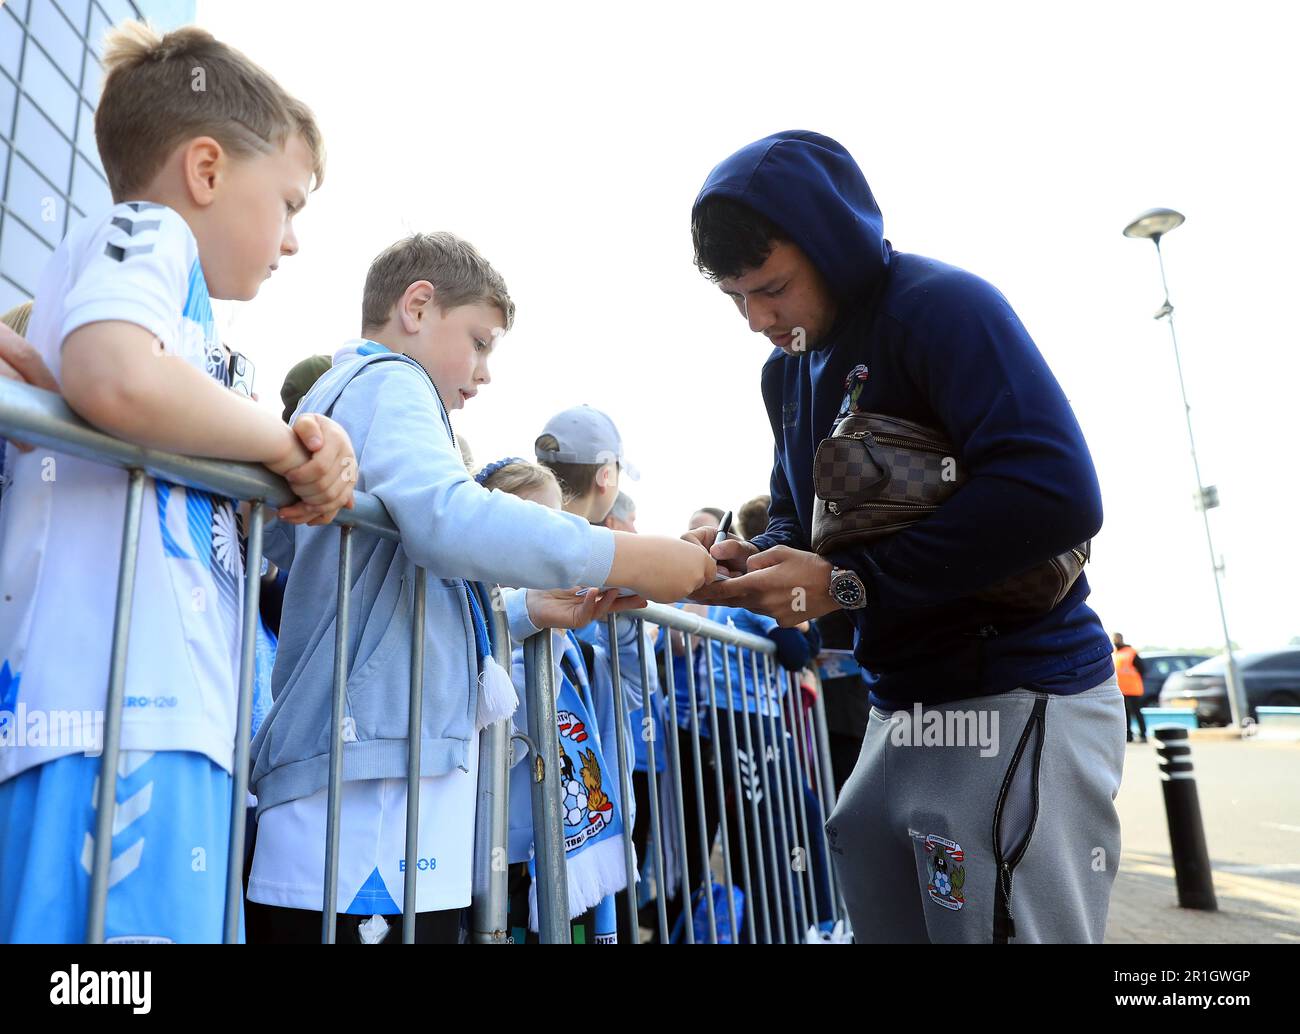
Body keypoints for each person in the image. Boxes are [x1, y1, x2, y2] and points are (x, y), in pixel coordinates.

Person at [685, 130, 1123, 944]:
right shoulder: (788, 368)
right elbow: (794, 510)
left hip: (1013, 694)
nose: (756, 319)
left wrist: (849, 585)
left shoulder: (940, 306)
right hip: (897, 707)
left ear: (832, 245)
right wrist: (759, 558)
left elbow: (1057, 492)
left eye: (771, 287)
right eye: (735, 297)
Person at [245, 234, 713, 944]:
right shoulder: (389, 381)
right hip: (368, 784)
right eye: (480, 342)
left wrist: (524, 611)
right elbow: (447, 520)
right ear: (418, 305)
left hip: (372, 766)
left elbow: (398, 580)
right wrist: (624, 557)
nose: (486, 372)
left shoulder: (350, 393)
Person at [0, 21, 351, 944]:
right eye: (290, 201)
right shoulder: (146, 232)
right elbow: (113, 373)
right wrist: (280, 445)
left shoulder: (191, 328)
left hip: (163, 721)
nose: (293, 241)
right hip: (115, 721)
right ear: (205, 171)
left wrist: (288, 452)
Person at [1112, 633, 1147, 743]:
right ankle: (1129, 736)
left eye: (1116, 638)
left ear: (1121, 639)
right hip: (1121, 690)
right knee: (1125, 714)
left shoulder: (1130, 652)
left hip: (1133, 689)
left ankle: (1143, 735)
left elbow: (1142, 669)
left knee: (1136, 713)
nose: (1115, 640)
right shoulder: (1115, 653)